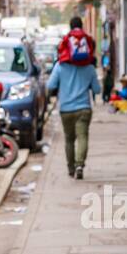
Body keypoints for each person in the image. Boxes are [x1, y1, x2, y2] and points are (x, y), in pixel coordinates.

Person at [47, 17, 102, 179]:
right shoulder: (89, 66)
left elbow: (50, 86)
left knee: (69, 140)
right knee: (83, 137)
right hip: (84, 108)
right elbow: (97, 90)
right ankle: (80, 165)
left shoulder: (60, 65)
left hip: (65, 109)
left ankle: (71, 169)